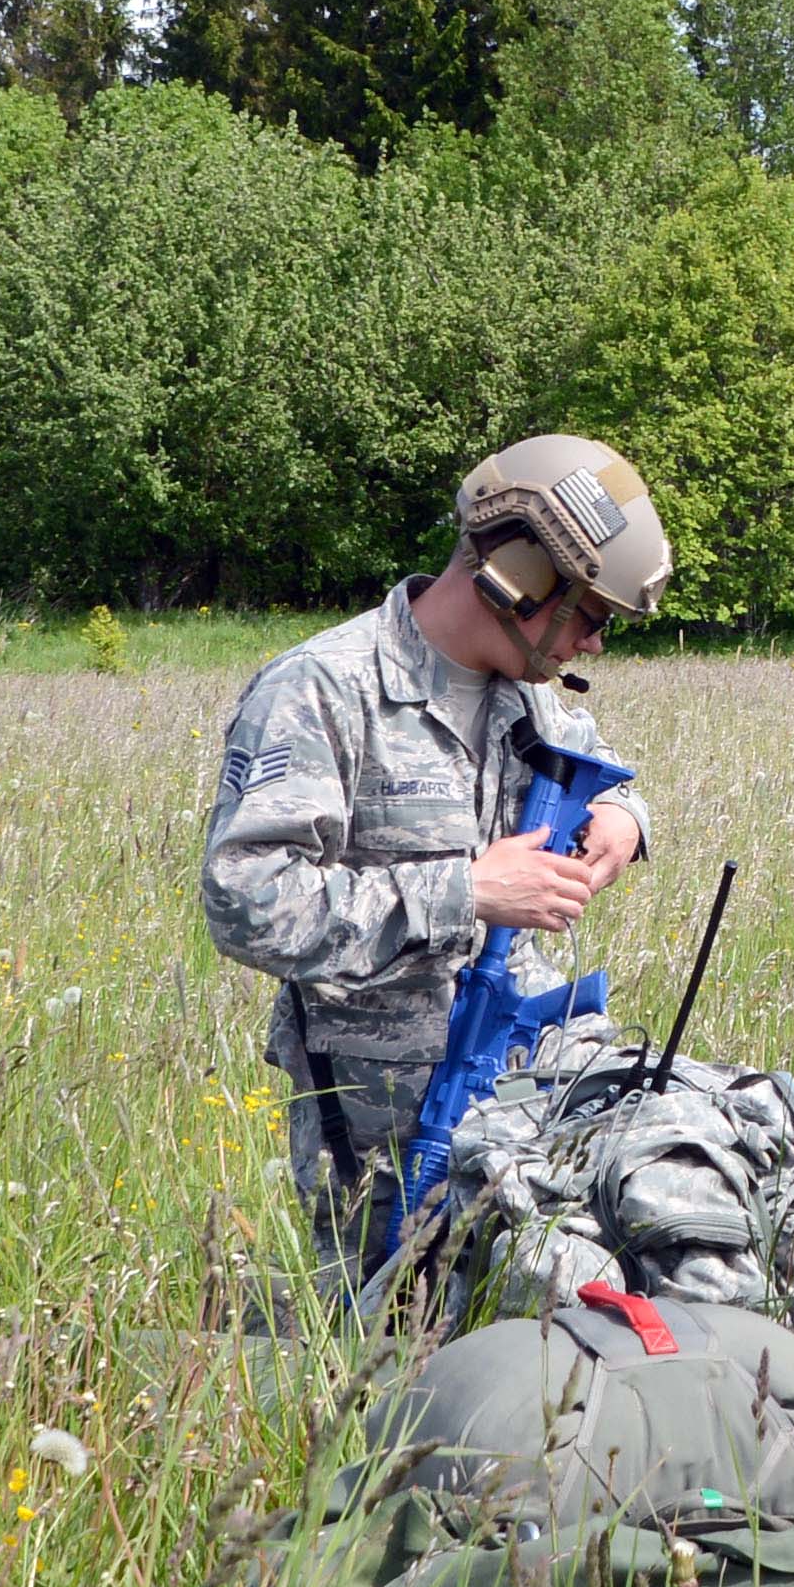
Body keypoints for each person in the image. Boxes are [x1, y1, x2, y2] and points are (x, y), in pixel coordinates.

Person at [203, 437, 665, 1272]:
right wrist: (468, 892)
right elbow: (243, 899)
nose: (594, 645)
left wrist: (623, 819)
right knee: (380, 1369)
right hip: (378, 1150)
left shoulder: (527, 697)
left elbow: (611, 778)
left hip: (514, 1112)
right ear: (521, 574)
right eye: (592, 615)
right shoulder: (323, 690)